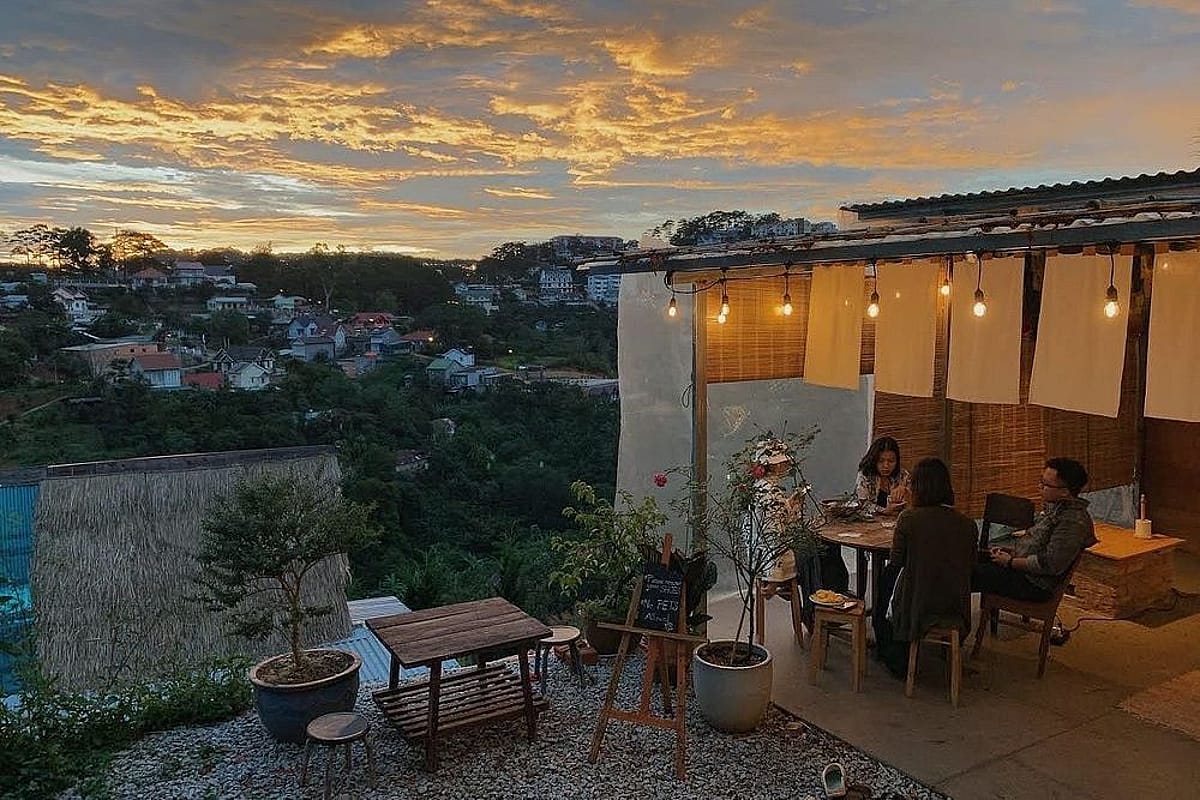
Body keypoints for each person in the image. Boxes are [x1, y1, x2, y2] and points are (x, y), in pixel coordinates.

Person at [873, 458, 978, 678]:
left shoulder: (910, 519)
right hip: (953, 601)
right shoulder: (968, 524)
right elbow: (971, 563)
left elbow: (897, 560)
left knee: (886, 578)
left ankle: (889, 650)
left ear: (919, 487)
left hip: (918, 600)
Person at [972, 457, 1097, 602]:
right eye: (1041, 481)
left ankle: (954, 620)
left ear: (1065, 492)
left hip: (1034, 583)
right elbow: (1033, 543)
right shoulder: (1053, 509)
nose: (1040, 487)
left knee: (964, 574)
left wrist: (1011, 561)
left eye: (1046, 485)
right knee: (962, 560)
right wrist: (1007, 554)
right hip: (1020, 570)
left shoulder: (1072, 522)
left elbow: (1050, 563)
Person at [854, 437, 911, 516]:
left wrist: (906, 491)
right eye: (881, 461)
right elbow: (862, 504)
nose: (886, 465)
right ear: (874, 460)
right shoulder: (865, 475)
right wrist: (885, 511)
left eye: (891, 461)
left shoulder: (903, 475)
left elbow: (913, 503)